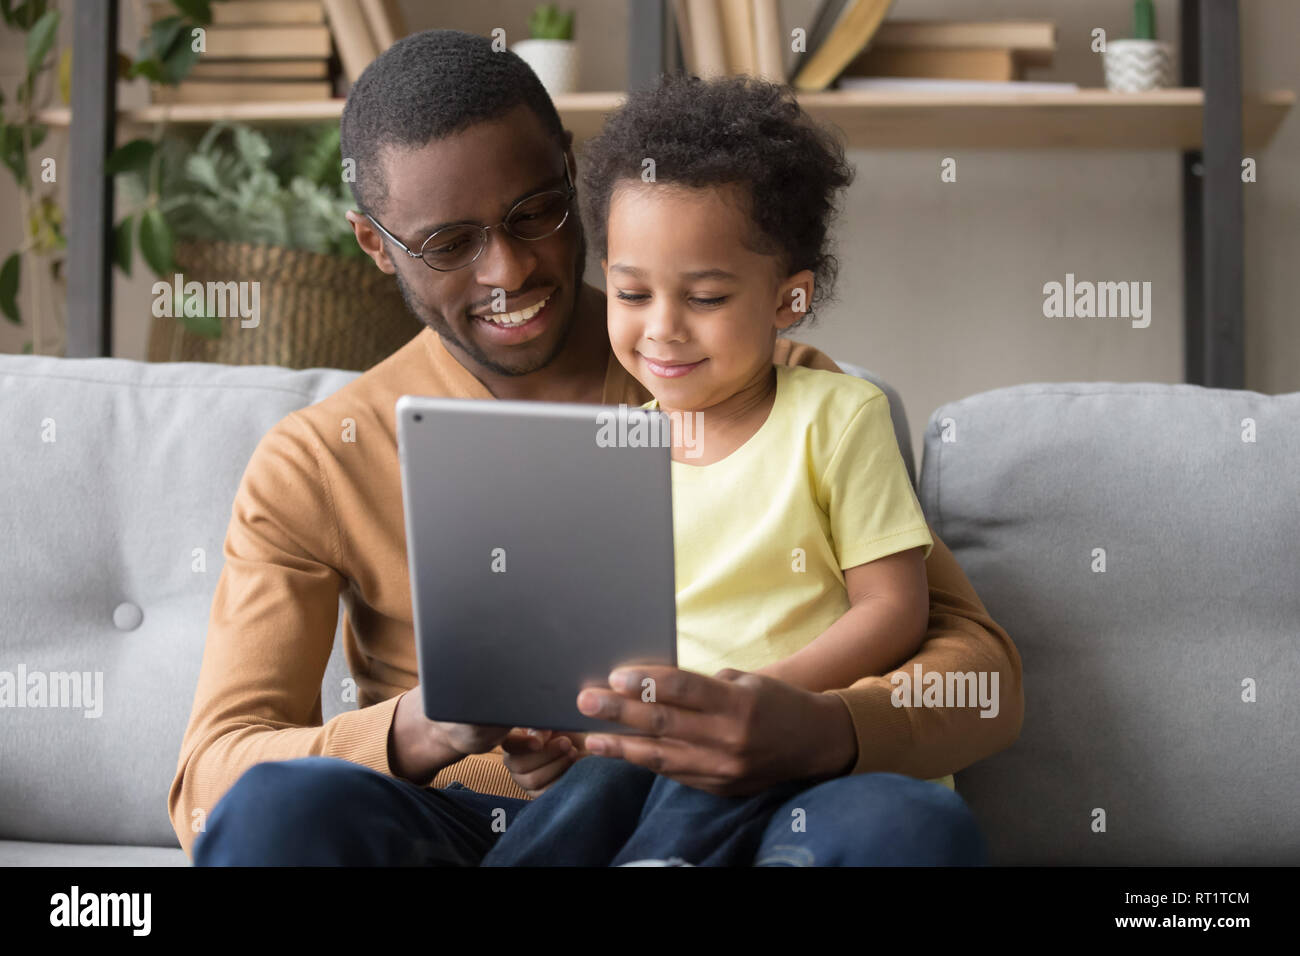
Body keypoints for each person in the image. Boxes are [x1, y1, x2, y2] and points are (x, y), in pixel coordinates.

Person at [172, 30, 1022, 866]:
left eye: (533, 213)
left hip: (747, 803)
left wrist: (821, 728)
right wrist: (422, 726)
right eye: (449, 243)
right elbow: (208, 786)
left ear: (573, 173)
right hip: (491, 824)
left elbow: (982, 674)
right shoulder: (319, 459)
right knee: (278, 812)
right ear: (375, 244)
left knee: (903, 833)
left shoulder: (767, 388)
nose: (507, 271)